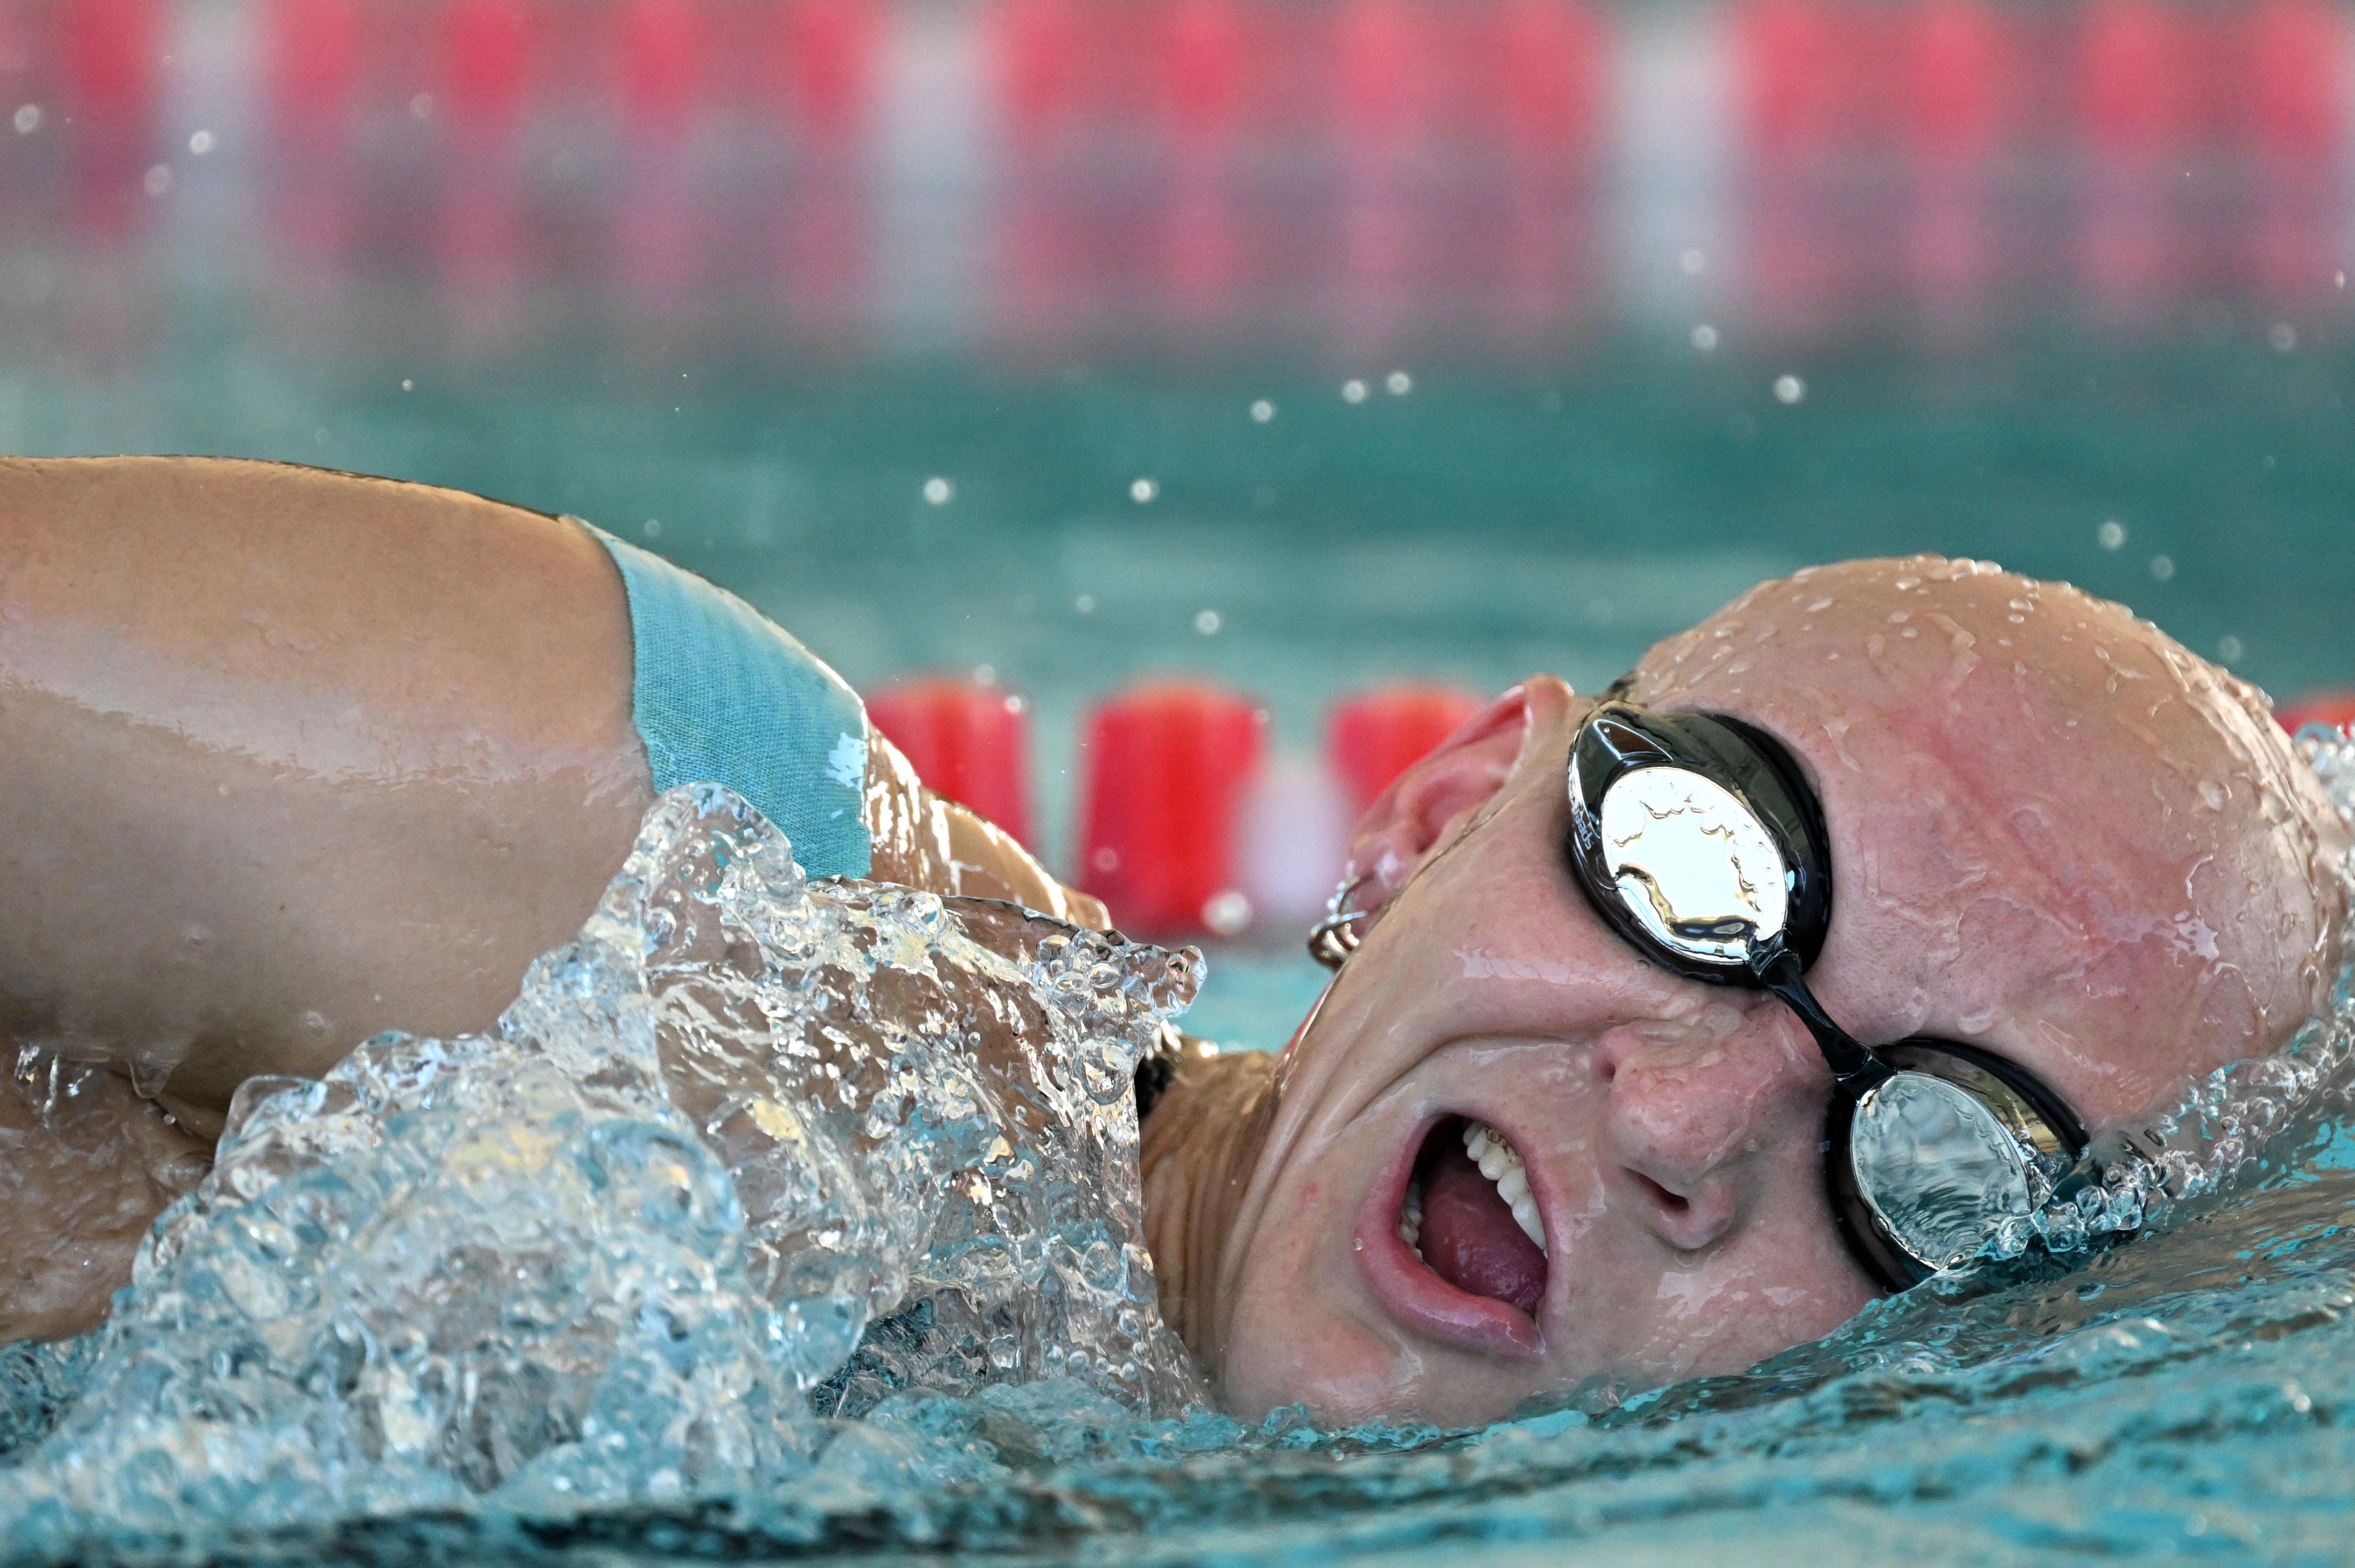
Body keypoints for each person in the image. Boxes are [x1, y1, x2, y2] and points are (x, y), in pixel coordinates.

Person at [0, 458, 2342, 1437]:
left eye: (1926, 1162)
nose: (1686, 1114)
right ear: (1431, 812)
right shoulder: (632, 865)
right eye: (1706, 873)